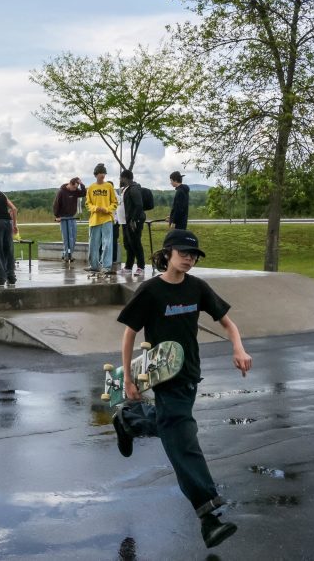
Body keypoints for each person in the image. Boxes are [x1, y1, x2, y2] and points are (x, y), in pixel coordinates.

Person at [112, 229, 252, 549]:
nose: (188, 258)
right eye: (183, 253)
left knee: (170, 424)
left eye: (193, 255)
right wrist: (129, 380)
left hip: (189, 374)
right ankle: (209, 515)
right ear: (167, 253)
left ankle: (130, 420)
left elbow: (228, 323)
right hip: (164, 377)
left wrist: (238, 349)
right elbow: (129, 334)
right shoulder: (150, 291)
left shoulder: (197, 288)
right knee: (184, 440)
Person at [86, 164, 118, 274]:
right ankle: (94, 265)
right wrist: (95, 208)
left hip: (107, 219)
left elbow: (115, 202)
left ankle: (106, 266)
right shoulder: (91, 188)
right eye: (101, 173)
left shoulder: (109, 186)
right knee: (93, 244)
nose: (103, 175)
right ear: (96, 174)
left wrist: (108, 209)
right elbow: (88, 204)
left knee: (107, 243)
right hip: (94, 219)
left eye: (104, 173)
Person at [53, 177, 86, 262]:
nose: (75, 189)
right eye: (74, 187)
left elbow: (83, 193)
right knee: (66, 238)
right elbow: (56, 204)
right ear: (70, 184)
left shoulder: (75, 191)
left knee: (73, 237)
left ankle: (69, 254)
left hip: (72, 216)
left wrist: (81, 184)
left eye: (76, 187)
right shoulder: (61, 192)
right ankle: (66, 255)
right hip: (63, 217)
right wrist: (57, 216)